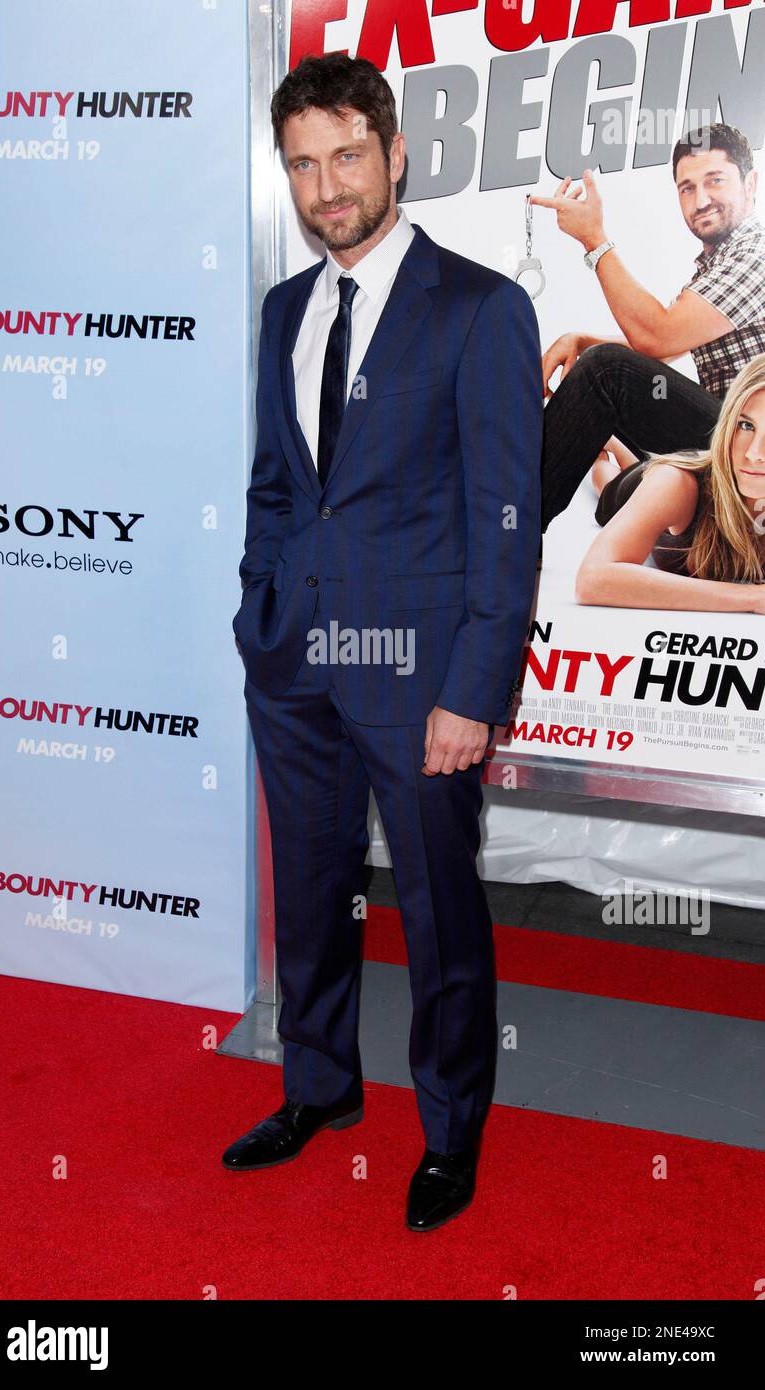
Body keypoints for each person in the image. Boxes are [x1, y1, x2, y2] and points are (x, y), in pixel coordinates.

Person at [224, 52, 543, 1233]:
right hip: (293, 664)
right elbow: (278, 486)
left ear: (395, 153)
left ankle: (450, 1133)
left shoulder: (477, 307)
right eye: (303, 164)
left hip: (418, 683)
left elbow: (506, 525)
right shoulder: (281, 311)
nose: (326, 186)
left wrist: (472, 689)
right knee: (308, 896)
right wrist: (258, 605)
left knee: (436, 907)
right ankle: (317, 1088)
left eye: (346, 155)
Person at [529, 123, 765, 532]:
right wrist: (583, 339)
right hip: (726, 446)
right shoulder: (714, 267)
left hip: (751, 447)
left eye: (715, 181)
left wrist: (595, 240)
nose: (701, 199)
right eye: (687, 188)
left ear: (750, 184)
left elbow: (658, 335)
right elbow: (661, 345)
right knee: (616, 500)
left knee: (607, 372)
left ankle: (504, 534)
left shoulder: (756, 250)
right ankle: (628, 465)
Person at [576, 352, 765, 610]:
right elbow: (592, 580)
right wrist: (752, 598)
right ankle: (603, 450)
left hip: (670, 472)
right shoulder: (677, 484)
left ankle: (623, 450)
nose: (754, 453)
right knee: (609, 485)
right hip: (644, 485)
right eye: (746, 426)